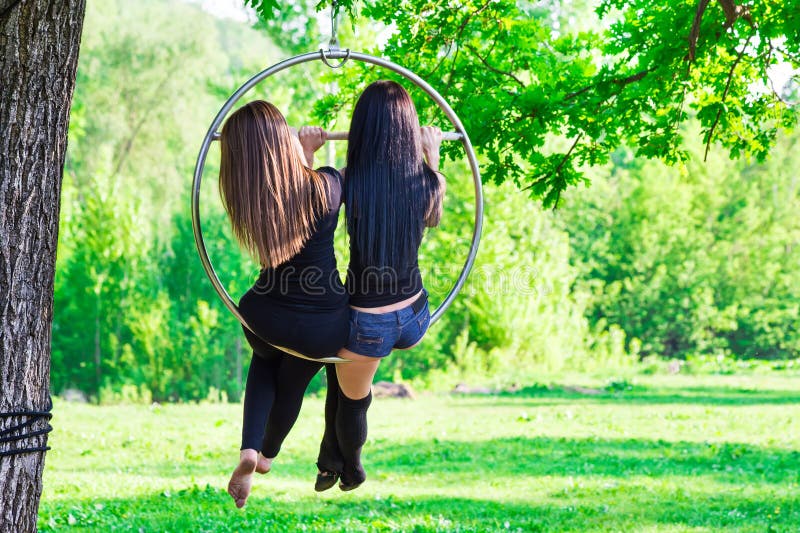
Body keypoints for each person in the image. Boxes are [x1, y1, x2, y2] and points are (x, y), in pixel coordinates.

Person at [315, 80, 446, 491]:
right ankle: (327, 458)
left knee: (353, 397)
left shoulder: (347, 180)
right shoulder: (427, 181)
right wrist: (432, 154)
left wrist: (306, 153)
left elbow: (308, 210)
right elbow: (433, 217)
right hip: (414, 315)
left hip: (369, 325)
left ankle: (350, 466)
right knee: (336, 369)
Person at [217, 100, 349, 507]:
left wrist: (298, 152)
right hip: (321, 325)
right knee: (293, 380)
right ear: (282, 142)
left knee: (264, 363)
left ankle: (250, 451)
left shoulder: (248, 197)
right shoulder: (324, 186)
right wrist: (308, 151)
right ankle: (268, 453)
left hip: (264, 316)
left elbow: (287, 194)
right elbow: (317, 192)